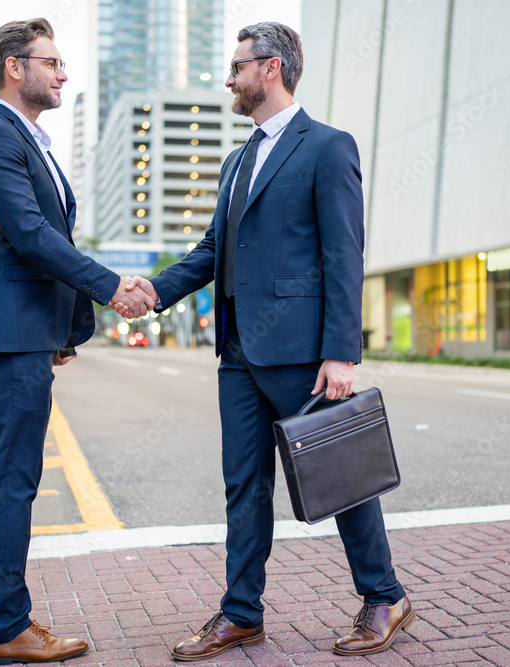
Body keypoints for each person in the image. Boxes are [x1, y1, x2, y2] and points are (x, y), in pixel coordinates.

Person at [129, 22, 414, 661]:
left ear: (273, 68)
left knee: (340, 477)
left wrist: (342, 351)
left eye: (237, 67)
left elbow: (344, 254)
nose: (229, 79)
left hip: (303, 353)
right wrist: (152, 291)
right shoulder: (237, 159)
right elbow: (212, 251)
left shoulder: (327, 147)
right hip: (239, 353)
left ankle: (385, 596)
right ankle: (241, 614)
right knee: (244, 486)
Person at [0, 18, 153, 666]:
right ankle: (9, 625)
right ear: (15, 67)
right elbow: (29, 236)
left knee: (5, 464)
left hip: (27, 327)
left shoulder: (30, 140)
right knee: (17, 473)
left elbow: (50, 239)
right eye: (52, 62)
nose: (63, 73)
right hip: (9, 324)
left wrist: (65, 326)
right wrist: (108, 286)